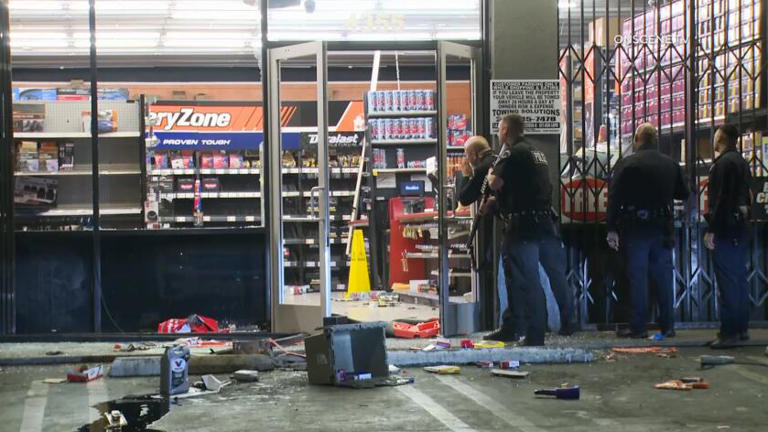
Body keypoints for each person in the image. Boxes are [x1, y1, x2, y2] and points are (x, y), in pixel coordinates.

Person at [606, 123, 690, 338]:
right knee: (663, 277)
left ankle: (639, 327)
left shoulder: (627, 164)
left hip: (636, 227)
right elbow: (684, 193)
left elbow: (614, 198)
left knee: (638, 277)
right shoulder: (670, 164)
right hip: (662, 227)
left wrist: (611, 228)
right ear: (655, 140)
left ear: (637, 140)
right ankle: (668, 325)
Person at [483, 114, 553, 346]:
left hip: (522, 224)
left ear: (505, 131)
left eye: (499, 130)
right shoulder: (536, 152)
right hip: (539, 222)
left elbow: (495, 182)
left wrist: (490, 175)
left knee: (524, 279)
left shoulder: (512, 153)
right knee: (523, 278)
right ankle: (515, 327)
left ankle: (532, 333)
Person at [704, 124, 752, 349]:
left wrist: (712, 229)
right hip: (740, 227)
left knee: (728, 282)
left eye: (716, 135)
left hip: (726, 228)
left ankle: (729, 332)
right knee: (739, 279)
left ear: (721, 138)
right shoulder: (741, 161)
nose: (713, 139)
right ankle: (741, 329)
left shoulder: (723, 164)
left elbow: (723, 199)